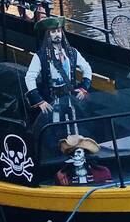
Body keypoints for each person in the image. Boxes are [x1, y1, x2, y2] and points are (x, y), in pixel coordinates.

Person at [25, 16, 93, 154]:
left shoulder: (72, 52)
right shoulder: (41, 56)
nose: (57, 34)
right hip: (52, 98)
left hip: (69, 97)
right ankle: (57, 151)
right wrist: (40, 101)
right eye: (53, 32)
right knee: (54, 126)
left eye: (58, 31)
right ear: (48, 35)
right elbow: (29, 77)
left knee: (74, 123)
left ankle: (77, 149)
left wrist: (84, 88)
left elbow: (87, 69)